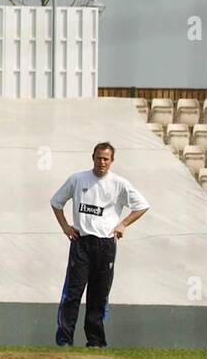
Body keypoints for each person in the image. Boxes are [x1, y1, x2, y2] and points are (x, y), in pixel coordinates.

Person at [50, 142, 149, 348]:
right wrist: (65, 227)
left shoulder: (119, 183)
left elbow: (142, 205)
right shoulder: (78, 179)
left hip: (105, 245)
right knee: (73, 293)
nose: (102, 162)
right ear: (92, 158)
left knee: (99, 294)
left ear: (112, 161)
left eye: (106, 158)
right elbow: (56, 202)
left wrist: (123, 224)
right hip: (82, 242)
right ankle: (64, 340)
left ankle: (95, 341)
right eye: (98, 158)